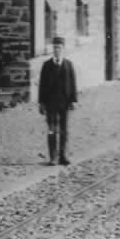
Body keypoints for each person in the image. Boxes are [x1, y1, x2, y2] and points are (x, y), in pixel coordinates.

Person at [38, 36, 78, 166]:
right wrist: (41, 103)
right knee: (52, 130)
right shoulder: (46, 65)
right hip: (50, 104)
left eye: (59, 48)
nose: (56, 50)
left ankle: (63, 155)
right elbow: (42, 85)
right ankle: (53, 157)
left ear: (63, 49)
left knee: (64, 130)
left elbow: (73, 83)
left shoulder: (68, 65)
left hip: (64, 103)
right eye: (54, 47)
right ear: (52, 49)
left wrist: (73, 100)